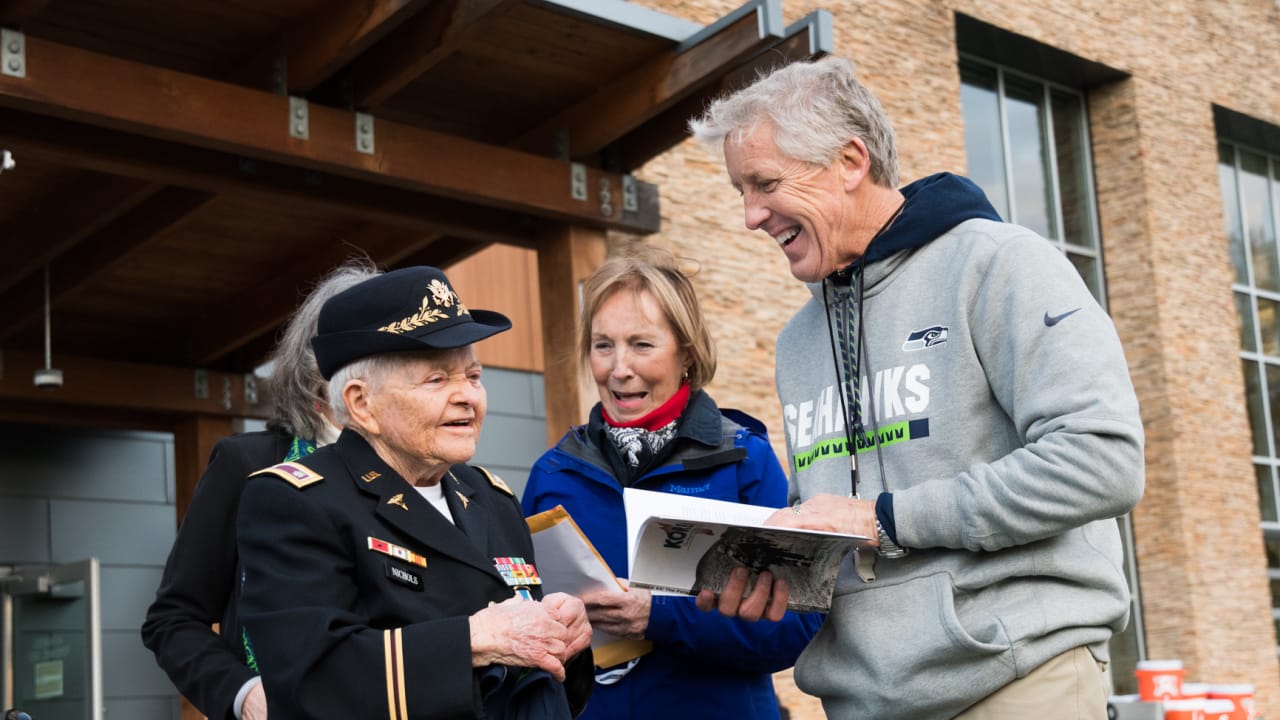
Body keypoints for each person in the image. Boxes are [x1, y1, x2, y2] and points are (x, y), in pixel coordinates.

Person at [688, 57, 1145, 719]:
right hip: (864, 702)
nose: (751, 216)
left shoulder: (998, 264)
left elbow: (1102, 461)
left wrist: (883, 519)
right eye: (741, 191)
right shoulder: (798, 341)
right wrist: (774, 572)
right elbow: (841, 522)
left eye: (765, 184)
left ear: (850, 161)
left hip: (1017, 679)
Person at [235, 266, 594, 720]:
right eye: (437, 380)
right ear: (362, 403)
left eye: (473, 376)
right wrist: (473, 641)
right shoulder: (296, 501)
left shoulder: (493, 499)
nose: (467, 396)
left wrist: (563, 639)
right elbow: (312, 681)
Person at [521, 247, 823, 720]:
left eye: (642, 345)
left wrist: (658, 616)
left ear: (687, 352)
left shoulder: (744, 463)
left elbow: (795, 629)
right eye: (603, 345)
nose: (619, 368)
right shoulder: (553, 474)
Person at [142, 260, 379, 720]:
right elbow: (172, 619)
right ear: (318, 373)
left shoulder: (433, 476)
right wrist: (244, 694)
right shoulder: (248, 465)